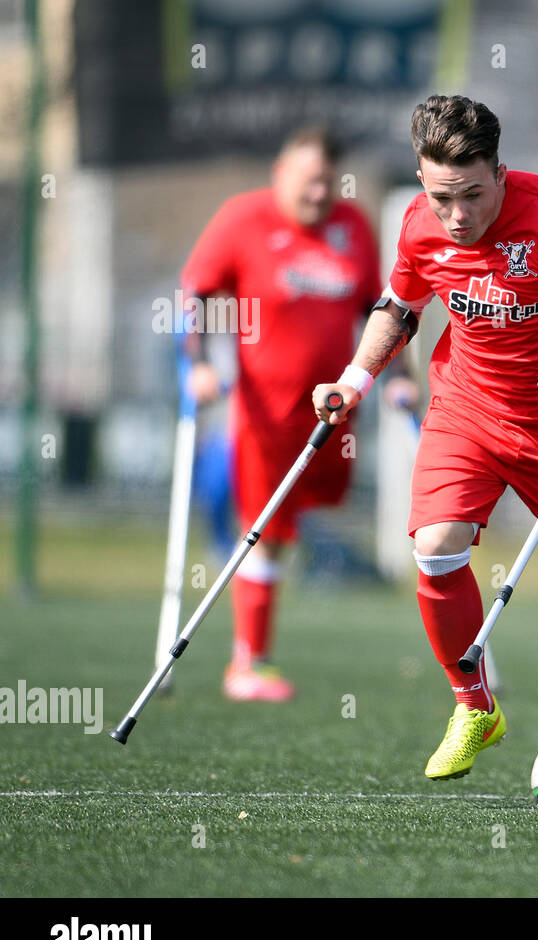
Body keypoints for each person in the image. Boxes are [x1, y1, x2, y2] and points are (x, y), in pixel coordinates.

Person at [312, 95, 538, 781]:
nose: (458, 215)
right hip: (466, 409)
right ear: (421, 177)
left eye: (473, 194)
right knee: (435, 545)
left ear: (501, 172)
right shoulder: (419, 226)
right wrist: (352, 379)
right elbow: (400, 307)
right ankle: (474, 705)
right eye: (443, 196)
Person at [181, 127, 382, 702]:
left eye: (326, 181)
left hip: (333, 414)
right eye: (307, 181)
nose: (317, 193)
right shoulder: (243, 220)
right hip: (264, 413)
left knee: (308, 521)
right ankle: (249, 662)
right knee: (264, 529)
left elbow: (379, 310)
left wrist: (401, 379)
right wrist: (194, 363)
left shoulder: (353, 227)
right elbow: (194, 292)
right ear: (280, 174)